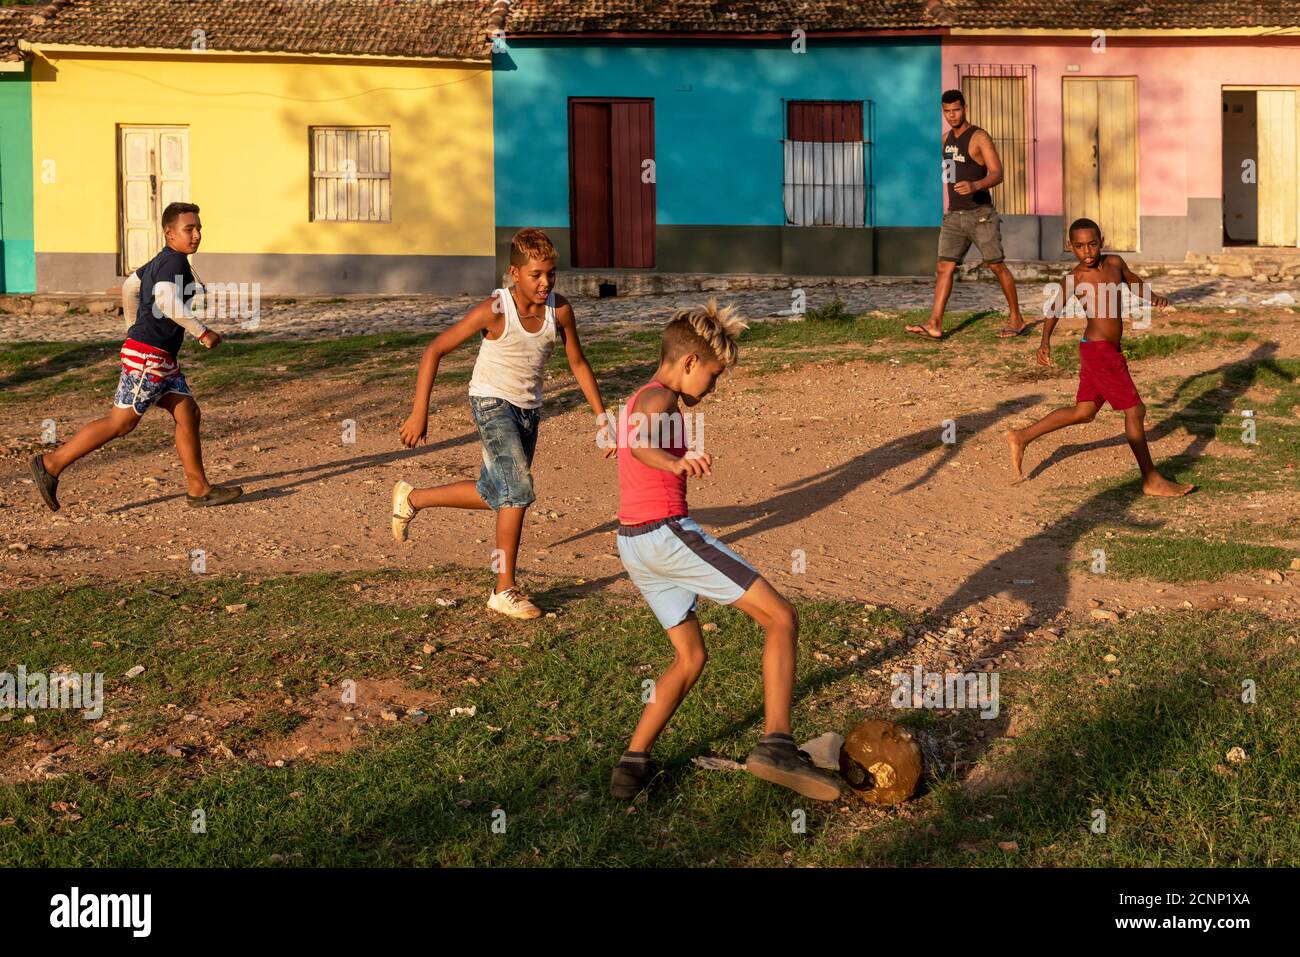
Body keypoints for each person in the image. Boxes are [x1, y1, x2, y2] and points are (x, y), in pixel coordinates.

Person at [609, 299, 841, 802]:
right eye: (712, 376)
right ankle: (776, 744)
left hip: (632, 543)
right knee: (780, 617)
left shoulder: (640, 396)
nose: (712, 388)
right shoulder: (664, 402)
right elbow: (647, 444)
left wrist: (628, 444)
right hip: (665, 534)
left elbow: (631, 436)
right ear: (689, 362)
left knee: (690, 657)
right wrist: (675, 462)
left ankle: (632, 765)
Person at [392, 228, 613, 620]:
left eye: (551, 273)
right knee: (517, 489)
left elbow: (578, 363)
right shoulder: (493, 311)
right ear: (514, 273)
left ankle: (413, 498)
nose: (546, 282)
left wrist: (602, 418)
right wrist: (418, 412)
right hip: (491, 401)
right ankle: (503, 588)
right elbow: (435, 350)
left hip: (529, 409)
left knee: (495, 492)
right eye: (536, 274)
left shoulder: (559, 311)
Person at [30, 202, 242, 511]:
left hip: (161, 358)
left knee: (188, 413)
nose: (196, 235)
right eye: (189, 229)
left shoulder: (162, 260)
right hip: (150, 357)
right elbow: (166, 299)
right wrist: (202, 332)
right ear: (169, 233)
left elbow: (131, 285)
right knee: (121, 423)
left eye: (198, 229)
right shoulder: (175, 262)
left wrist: (133, 326)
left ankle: (199, 488)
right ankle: (50, 464)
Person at [1006, 218, 1194, 497]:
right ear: (1070, 247)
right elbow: (1054, 310)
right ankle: (1151, 479)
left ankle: (1022, 436)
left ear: (1101, 241)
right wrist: (1044, 342)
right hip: (1099, 351)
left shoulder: (1115, 263)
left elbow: (1132, 282)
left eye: (1092, 244)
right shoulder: (1075, 278)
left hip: (1100, 350)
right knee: (1135, 410)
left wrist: (1152, 296)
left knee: (1084, 412)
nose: (1088, 252)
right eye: (1080, 247)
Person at [908, 89, 1026, 341]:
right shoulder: (945, 139)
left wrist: (975, 185)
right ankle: (934, 324)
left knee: (995, 265)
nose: (952, 115)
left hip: (980, 214)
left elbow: (998, 173)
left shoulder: (979, 137)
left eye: (956, 110)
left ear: (965, 108)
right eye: (947, 111)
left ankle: (1016, 318)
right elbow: (951, 174)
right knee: (943, 267)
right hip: (954, 216)